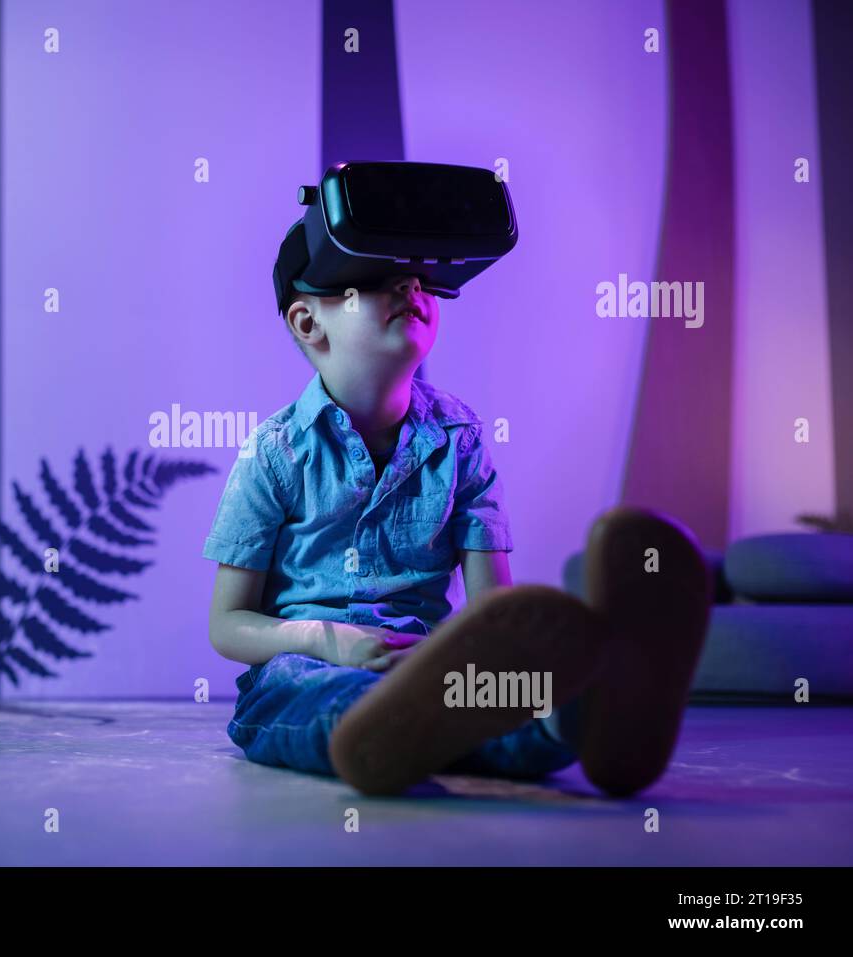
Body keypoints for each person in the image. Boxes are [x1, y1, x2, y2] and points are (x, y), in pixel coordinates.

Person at [203, 266, 712, 797]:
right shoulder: (273, 450)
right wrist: (332, 643)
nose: (411, 288)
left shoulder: (460, 440)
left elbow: (497, 617)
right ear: (309, 321)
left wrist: (503, 669)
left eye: (420, 277)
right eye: (375, 277)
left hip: (429, 667)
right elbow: (227, 624)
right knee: (315, 696)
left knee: (495, 698)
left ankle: (588, 710)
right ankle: (407, 729)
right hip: (304, 668)